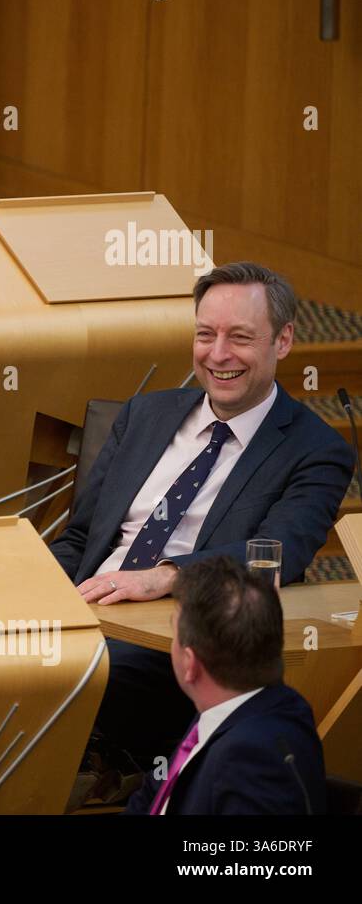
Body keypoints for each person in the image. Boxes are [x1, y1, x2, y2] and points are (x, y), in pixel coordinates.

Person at [50, 261, 355, 765]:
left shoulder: (316, 451)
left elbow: (276, 557)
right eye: (205, 334)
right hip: (80, 614)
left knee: (60, 681)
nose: (218, 355)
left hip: (174, 642)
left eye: (240, 337)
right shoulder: (144, 414)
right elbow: (81, 541)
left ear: (282, 341)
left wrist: (168, 576)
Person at [124, 556, 326, 814]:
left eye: (174, 635)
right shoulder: (224, 708)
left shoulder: (251, 758)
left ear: (191, 664)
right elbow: (151, 799)